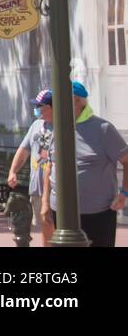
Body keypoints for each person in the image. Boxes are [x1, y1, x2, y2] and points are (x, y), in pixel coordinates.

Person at [41, 81, 128, 247]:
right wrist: (45, 202)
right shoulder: (56, 128)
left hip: (97, 214)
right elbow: (50, 165)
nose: (53, 106)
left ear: (76, 101)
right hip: (61, 213)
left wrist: (124, 193)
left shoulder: (103, 129)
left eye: (57, 101)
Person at [8, 88, 54, 245]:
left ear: (49, 107)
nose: (36, 109)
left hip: (56, 190)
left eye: (39, 106)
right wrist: (13, 171)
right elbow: (24, 149)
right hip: (37, 189)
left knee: (58, 227)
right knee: (45, 226)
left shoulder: (63, 128)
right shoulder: (36, 125)